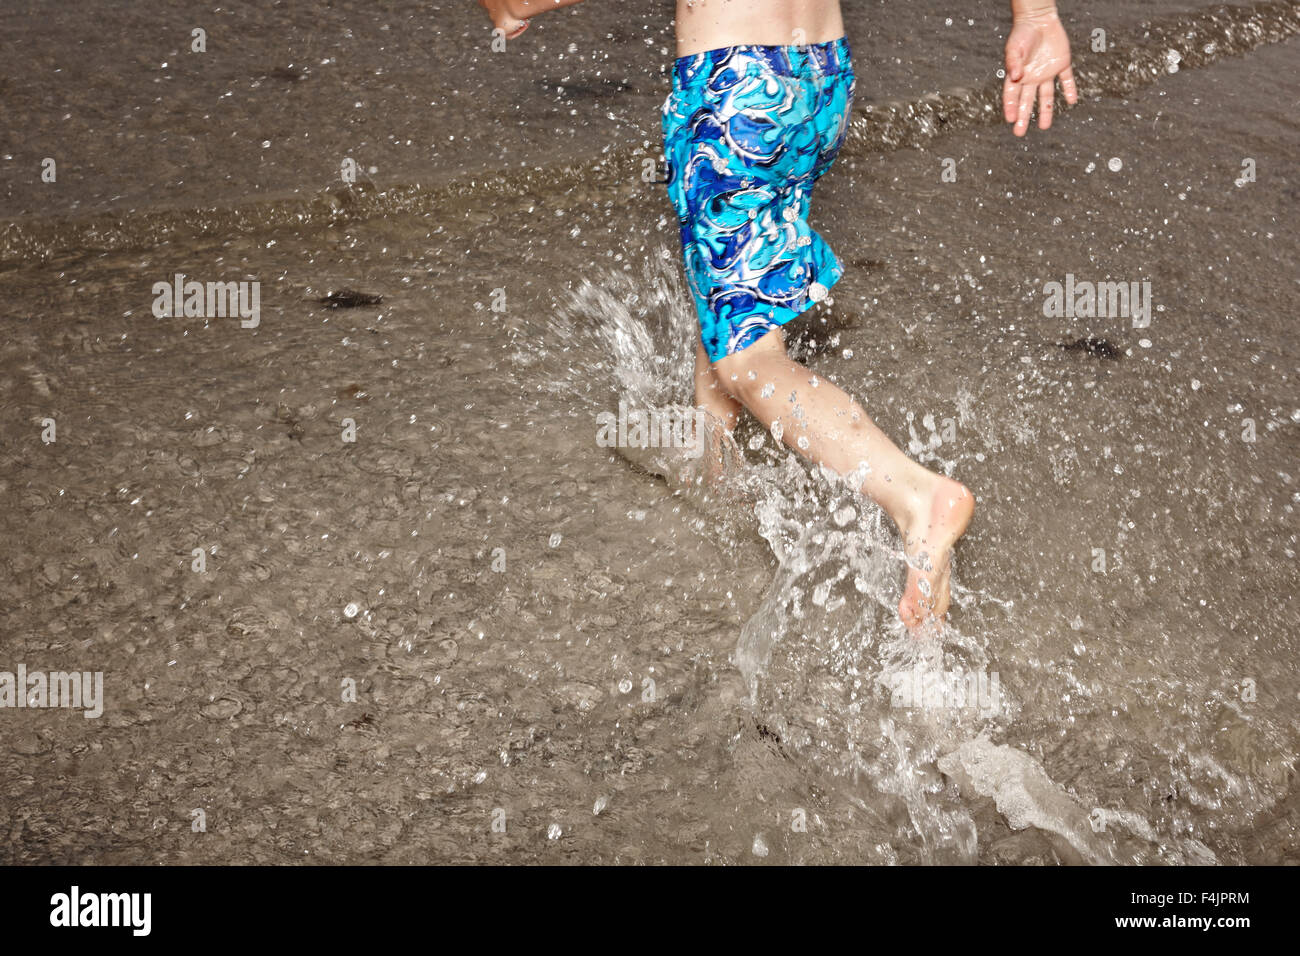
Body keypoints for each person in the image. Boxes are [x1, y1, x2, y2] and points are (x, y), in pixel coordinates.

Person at [476, 0, 1077, 627]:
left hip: (736, 91)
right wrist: (1035, 14)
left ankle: (916, 498)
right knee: (735, 288)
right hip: (819, 81)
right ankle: (713, 464)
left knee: (748, 362)